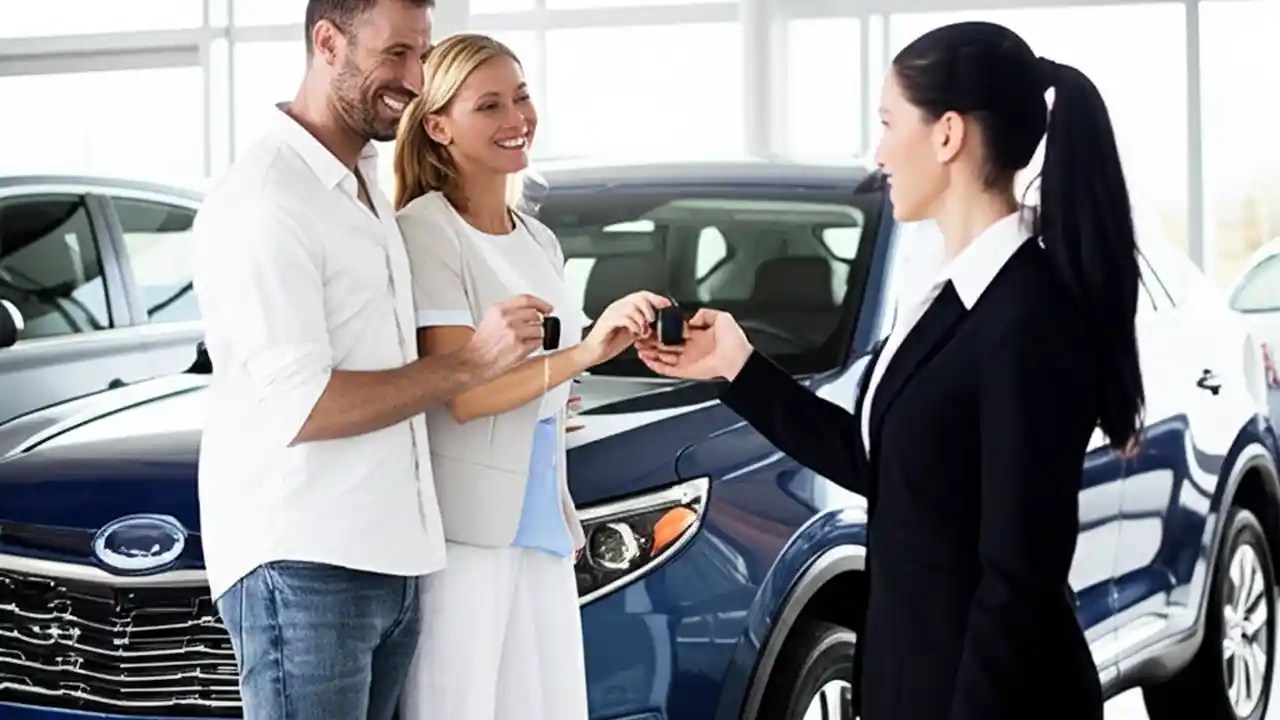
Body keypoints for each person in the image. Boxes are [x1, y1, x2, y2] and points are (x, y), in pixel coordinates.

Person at [638, 20, 1144, 720]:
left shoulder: (1030, 320)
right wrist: (738, 366)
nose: (878, 152)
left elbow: (1018, 576)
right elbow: (891, 471)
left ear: (946, 135)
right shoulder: (949, 298)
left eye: (886, 122)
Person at [191, 3, 554, 718]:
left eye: (421, 55)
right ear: (328, 42)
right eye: (396, 55)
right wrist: (471, 363)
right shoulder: (267, 201)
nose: (415, 79)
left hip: (393, 557)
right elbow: (303, 406)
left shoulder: (359, 182)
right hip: (307, 563)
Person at [390, 34, 668, 720]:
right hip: (467, 530)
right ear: (438, 125)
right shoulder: (426, 230)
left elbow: (532, 383)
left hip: (543, 517)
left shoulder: (537, 238)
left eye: (521, 95)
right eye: (489, 104)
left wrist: (560, 387)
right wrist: (583, 355)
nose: (516, 117)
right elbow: (464, 391)